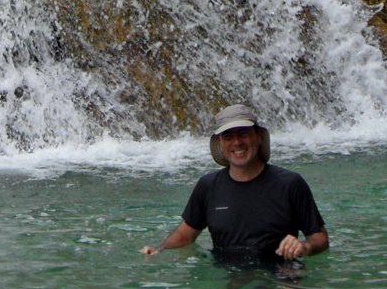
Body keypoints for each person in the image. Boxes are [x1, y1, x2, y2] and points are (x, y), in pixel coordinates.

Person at [140, 104, 329, 263]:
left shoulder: (290, 183)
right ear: (220, 143)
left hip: (281, 278)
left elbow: (320, 238)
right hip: (227, 278)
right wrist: (159, 250)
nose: (237, 142)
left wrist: (304, 247)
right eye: (228, 136)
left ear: (259, 136)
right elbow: (185, 235)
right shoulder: (208, 186)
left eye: (244, 133)